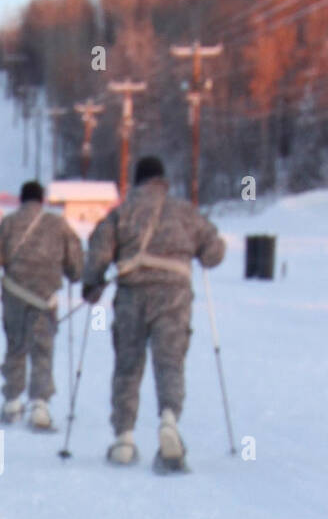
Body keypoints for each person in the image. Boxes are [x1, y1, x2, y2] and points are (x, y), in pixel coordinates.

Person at [82, 155, 225, 469]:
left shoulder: (121, 214)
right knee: (170, 362)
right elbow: (215, 253)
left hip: (132, 296)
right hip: (174, 297)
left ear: (136, 182)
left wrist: (92, 285)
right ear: (162, 181)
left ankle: (124, 439)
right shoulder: (185, 212)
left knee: (127, 367)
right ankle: (169, 421)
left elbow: (98, 252)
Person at [0, 180, 83, 430]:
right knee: (43, 348)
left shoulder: (8, 223)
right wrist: (76, 275)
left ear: (21, 199)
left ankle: (12, 401)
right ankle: (40, 404)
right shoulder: (58, 224)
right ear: (42, 200)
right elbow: (75, 265)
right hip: (46, 298)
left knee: (16, 346)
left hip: (14, 295)